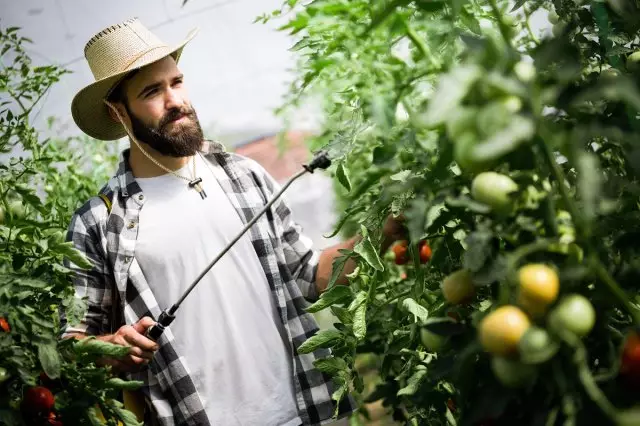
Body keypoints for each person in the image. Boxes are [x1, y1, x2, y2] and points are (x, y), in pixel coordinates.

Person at [62, 18, 405, 426]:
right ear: (118, 112)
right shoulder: (100, 222)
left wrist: (384, 232)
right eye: (153, 91)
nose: (175, 100)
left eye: (177, 81)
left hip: (300, 412)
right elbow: (71, 349)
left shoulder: (243, 174)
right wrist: (110, 346)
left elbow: (307, 275)